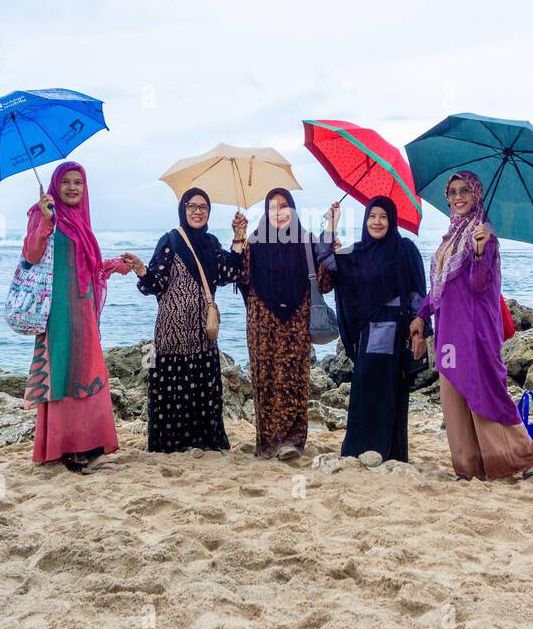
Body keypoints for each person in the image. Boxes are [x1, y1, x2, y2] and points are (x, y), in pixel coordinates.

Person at [417, 170, 533, 480]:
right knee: (453, 397)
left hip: (475, 331)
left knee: (486, 391)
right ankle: (468, 467)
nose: (458, 197)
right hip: (448, 331)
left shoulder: (485, 236)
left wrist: (479, 251)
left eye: (465, 191)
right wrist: (419, 314)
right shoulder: (450, 238)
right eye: (453, 192)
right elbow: (438, 287)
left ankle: (526, 459)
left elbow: (478, 284)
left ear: (476, 195)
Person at [22, 162, 131, 472]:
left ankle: (86, 447)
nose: (72, 188)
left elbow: (89, 267)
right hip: (58, 312)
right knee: (63, 374)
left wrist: (115, 265)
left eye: (78, 183)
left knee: (88, 372)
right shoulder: (44, 216)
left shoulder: (80, 221)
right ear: (56, 185)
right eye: (66, 182)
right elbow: (31, 255)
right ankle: (72, 451)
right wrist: (44, 219)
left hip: (82, 309)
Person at [122, 188, 248, 453]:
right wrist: (141, 270)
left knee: (205, 390)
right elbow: (154, 284)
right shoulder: (170, 240)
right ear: (183, 209)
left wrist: (238, 238)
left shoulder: (212, 243)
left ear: (209, 212)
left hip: (203, 332)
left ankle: (205, 443)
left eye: (203, 207)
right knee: (170, 391)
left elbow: (231, 271)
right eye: (192, 206)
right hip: (170, 333)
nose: (198, 211)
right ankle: (169, 446)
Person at [327, 196, 429, 463]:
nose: (377, 222)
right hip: (366, 335)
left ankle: (390, 452)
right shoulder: (357, 252)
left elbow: (418, 292)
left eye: (383, 216)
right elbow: (328, 268)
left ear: (391, 220)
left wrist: (419, 330)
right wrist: (332, 227)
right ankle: (359, 449)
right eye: (372, 216)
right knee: (364, 387)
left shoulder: (405, 249)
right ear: (365, 219)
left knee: (391, 391)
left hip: (397, 333)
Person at [239, 188, 334, 460]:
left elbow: (326, 283)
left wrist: (330, 232)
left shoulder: (307, 241)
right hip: (262, 323)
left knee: (294, 381)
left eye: (284, 206)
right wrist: (238, 237)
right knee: (265, 381)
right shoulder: (254, 243)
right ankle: (267, 443)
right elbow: (240, 277)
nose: (278, 212)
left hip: (297, 320)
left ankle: (292, 442)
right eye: (272, 206)